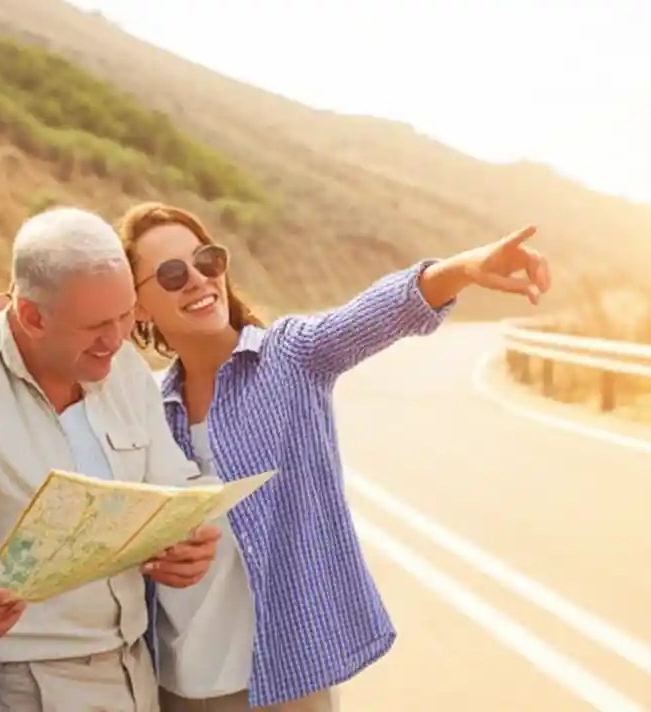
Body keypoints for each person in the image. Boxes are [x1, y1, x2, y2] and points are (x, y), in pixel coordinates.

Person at [116, 202, 551, 711]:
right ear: (138, 305)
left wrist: (461, 270)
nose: (196, 279)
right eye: (171, 274)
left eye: (206, 260)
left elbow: (373, 314)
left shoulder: (290, 357)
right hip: (173, 683)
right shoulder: (145, 408)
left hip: (283, 677)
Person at [0, 207, 223, 712]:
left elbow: (171, 483)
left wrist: (190, 536)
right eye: (95, 326)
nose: (117, 339)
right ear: (32, 317)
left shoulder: (123, 367)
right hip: (29, 688)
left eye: (125, 315)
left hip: (134, 670)